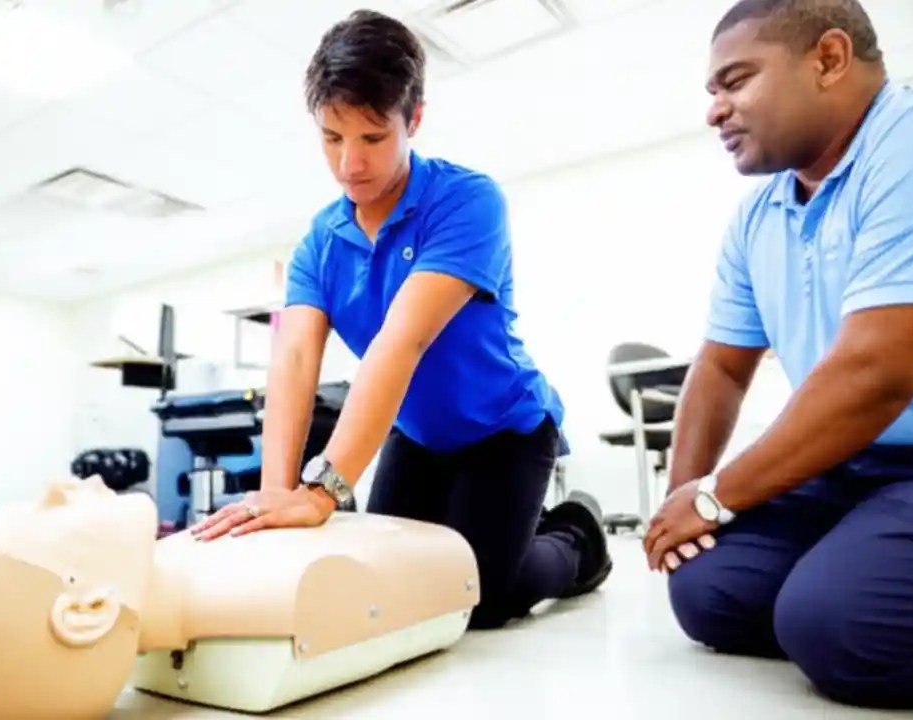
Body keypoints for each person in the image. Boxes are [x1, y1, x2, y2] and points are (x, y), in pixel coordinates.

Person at [190, 9, 612, 630]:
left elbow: (400, 343)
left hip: (505, 429)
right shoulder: (319, 243)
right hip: (416, 436)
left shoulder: (466, 201)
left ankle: (577, 536)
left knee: (476, 598)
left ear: (413, 119)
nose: (349, 165)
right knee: (391, 584)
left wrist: (324, 491)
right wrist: (277, 496)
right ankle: (508, 530)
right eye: (332, 138)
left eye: (371, 137)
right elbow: (296, 360)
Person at [642, 0, 913, 710]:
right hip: (852, 466)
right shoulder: (759, 215)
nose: (716, 111)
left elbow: (877, 373)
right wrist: (679, 503)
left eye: (735, 81)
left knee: (840, 632)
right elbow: (719, 367)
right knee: (709, 591)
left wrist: (716, 496)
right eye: (711, 93)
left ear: (829, 59)